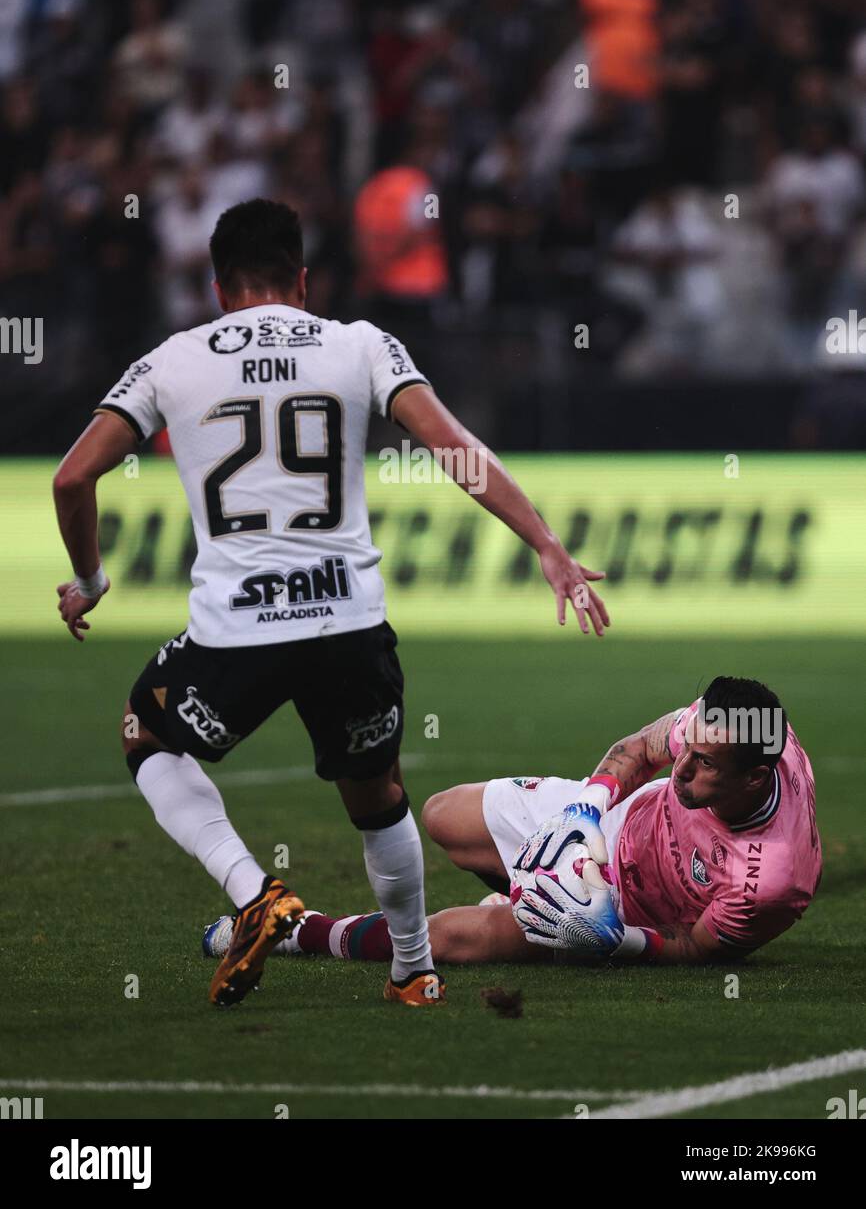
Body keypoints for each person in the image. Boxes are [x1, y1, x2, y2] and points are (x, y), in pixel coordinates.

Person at [52, 197, 609, 1011]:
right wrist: (546, 546)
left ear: (217, 289)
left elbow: (72, 476)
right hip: (347, 621)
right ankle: (414, 971)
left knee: (146, 731)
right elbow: (454, 448)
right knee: (377, 792)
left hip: (235, 631)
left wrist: (93, 580)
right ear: (303, 280)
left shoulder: (170, 359)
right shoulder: (360, 344)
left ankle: (255, 893)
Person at [204, 677, 821, 970]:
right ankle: (532, 885)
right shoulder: (731, 725)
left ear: (754, 780)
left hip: (627, 910)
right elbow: (637, 752)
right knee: (442, 816)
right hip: (614, 823)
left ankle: (295, 930)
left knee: (445, 940)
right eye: (687, 750)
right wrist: (585, 812)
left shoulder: (771, 881)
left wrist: (613, 938)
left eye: (704, 765)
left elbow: (698, 949)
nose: (681, 768)